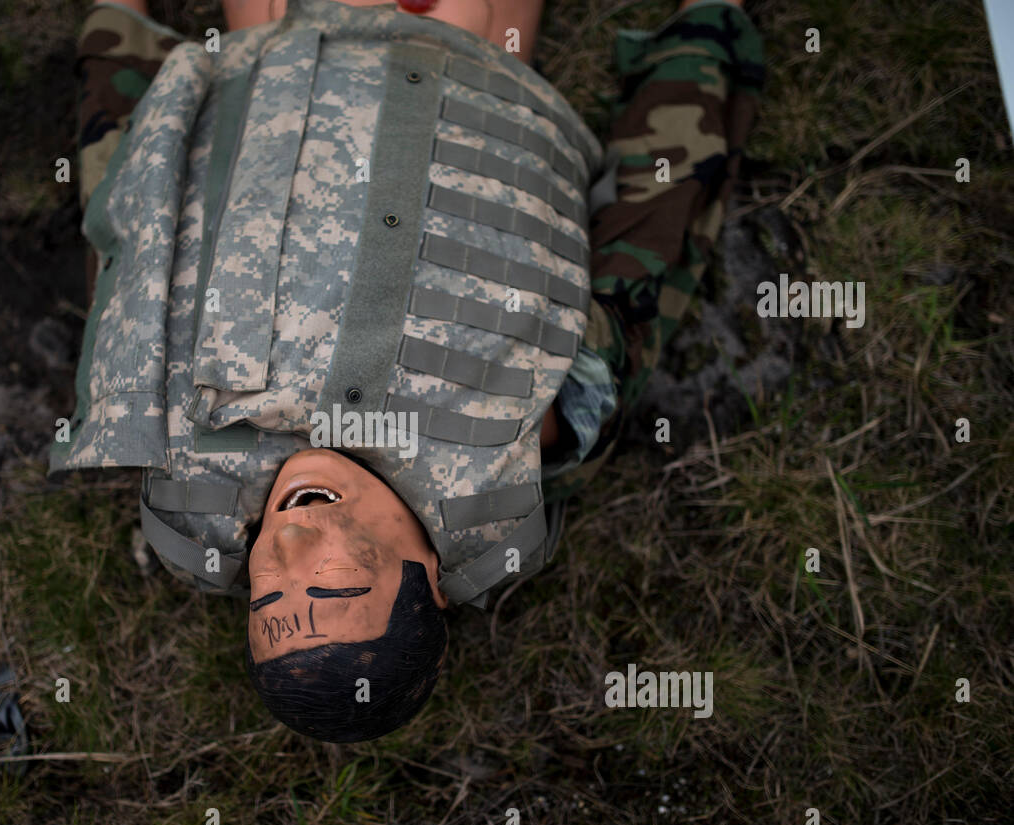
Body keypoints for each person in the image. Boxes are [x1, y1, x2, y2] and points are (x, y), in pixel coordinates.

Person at [57, 0, 763, 742]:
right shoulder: (525, 429)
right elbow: (655, 232)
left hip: (279, 42)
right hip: (462, 48)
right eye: (333, 582)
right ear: (432, 583)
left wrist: (118, 34)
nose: (284, 545)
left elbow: (128, 255)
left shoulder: (181, 451)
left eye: (264, 595)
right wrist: (703, 34)